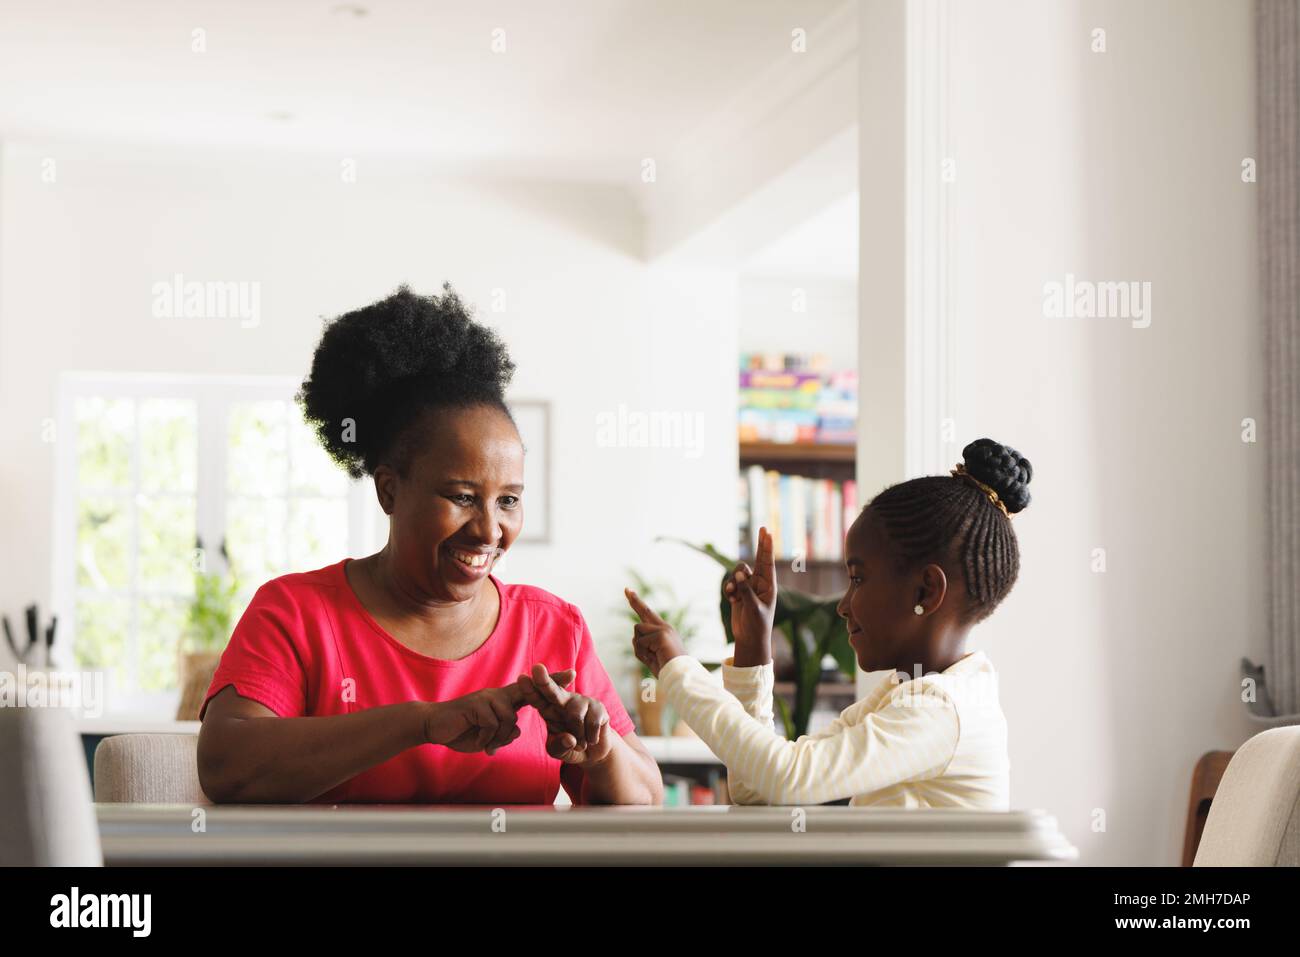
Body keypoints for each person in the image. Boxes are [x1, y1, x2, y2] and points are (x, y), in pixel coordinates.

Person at [198, 285, 662, 805]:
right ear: (389, 489)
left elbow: (644, 802)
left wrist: (599, 753)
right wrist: (421, 723)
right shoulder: (298, 613)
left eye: (508, 500)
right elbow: (225, 766)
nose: (489, 531)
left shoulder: (554, 629)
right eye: (463, 497)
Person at [627, 438, 1031, 808]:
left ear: (925, 592)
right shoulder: (907, 695)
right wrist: (753, 648)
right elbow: (757, 788)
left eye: (857, 579)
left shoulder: (944, 711)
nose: (842, 605)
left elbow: (787, 777)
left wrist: (678, 669)